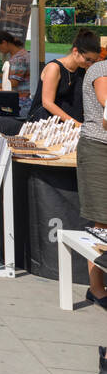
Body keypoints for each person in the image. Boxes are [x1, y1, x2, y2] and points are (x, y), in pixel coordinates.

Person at [77, 56, 107, 311]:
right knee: (102, 219)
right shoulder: (101, 69)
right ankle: (96, 287)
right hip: (99, 148)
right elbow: (106, 108)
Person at [28, 29, 102, 122]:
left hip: (69, 126)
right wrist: (75, 124)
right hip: (45, 125)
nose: (90, 64)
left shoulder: (82, 69)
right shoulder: (54, 68)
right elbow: (47, 103)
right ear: (75, 51)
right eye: (88, 59)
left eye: (94, 61)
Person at [0, 30, 32, 114]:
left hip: (22, 100)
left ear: (4, 43)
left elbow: (13, 82)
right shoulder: (20, 54)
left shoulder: (18, 59)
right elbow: (14, 75)